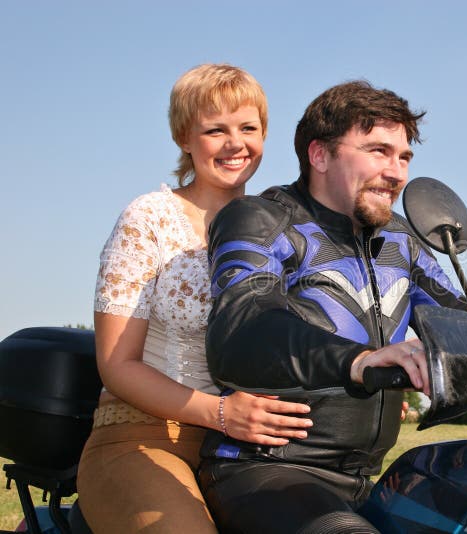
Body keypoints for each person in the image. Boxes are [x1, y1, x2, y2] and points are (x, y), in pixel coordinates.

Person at [197, 80, 467, 533]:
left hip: (368, 478)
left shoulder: (402, 239)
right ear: (319, 155)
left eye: (404, 157)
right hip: (267, 470)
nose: (397, 173)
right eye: (378, 151)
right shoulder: (261, 218)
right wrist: (360, 360)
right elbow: (243, 326)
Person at [76, 64, 313, 534]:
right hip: (141, 437)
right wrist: (223, 414)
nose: (235, 144)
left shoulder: (284, 223)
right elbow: (116, 364)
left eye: (248, 127)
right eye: (215, 130)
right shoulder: (149, 218)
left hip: (244, 452)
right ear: (185, 138)